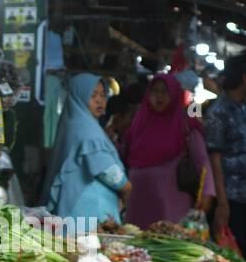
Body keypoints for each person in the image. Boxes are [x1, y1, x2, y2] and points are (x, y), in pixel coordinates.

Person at [120, 74, 214, 229]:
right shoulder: (138, 122)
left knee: (168, 244)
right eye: (155, 91)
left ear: (174, 94)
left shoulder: (186, 124)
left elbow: (201, 159)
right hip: (139, 201)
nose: (159, 96)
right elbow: (126, 153)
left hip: (172, 203)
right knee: (135, 247)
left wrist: (207, 191)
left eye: (165, 92)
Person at [41, 73, 130, 225]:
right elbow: (106, 169)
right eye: (93, 95)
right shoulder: (87, 130)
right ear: (79, 96)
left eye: (103, 95)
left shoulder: (74, 123)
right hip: (90, 212)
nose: (99, 100)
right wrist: (127, 188)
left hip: (77, 208)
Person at [205, 54, 246, 247]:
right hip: (231, 198)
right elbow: (215, 161)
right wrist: (222, 204)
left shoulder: (242, 108)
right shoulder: (218, 112)